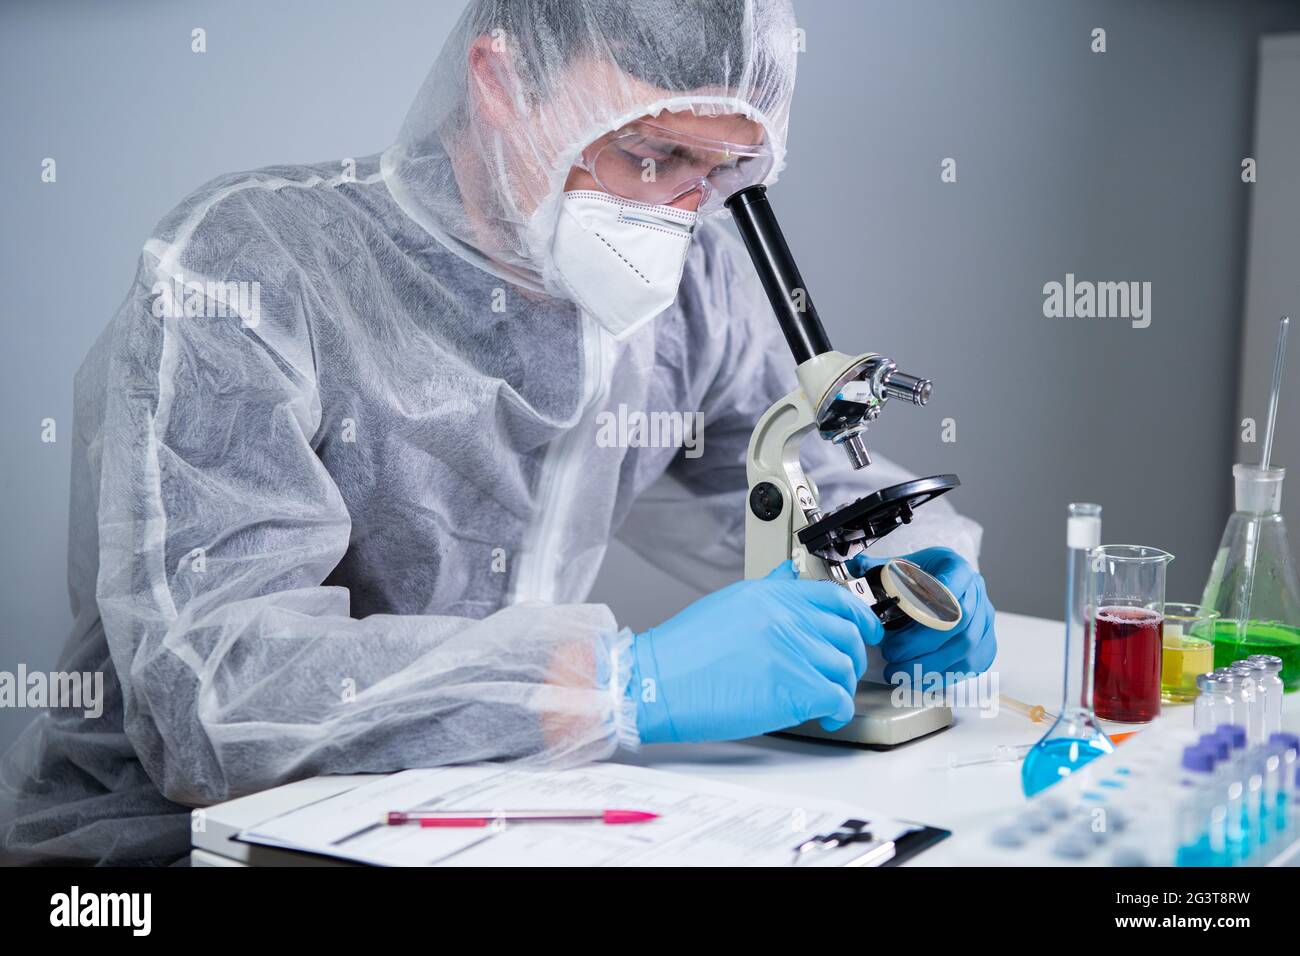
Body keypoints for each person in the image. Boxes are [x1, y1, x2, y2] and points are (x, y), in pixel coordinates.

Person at [0, 0, 993, 866]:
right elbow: (213, 703)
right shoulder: (248, 268)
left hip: (488, 810)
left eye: (717, 171)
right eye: (649, 155)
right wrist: (623, 683)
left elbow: (790, 471)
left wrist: (914, 571)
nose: (678, 209)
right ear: (500, 81)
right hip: (178, 849)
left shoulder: (690, 297)